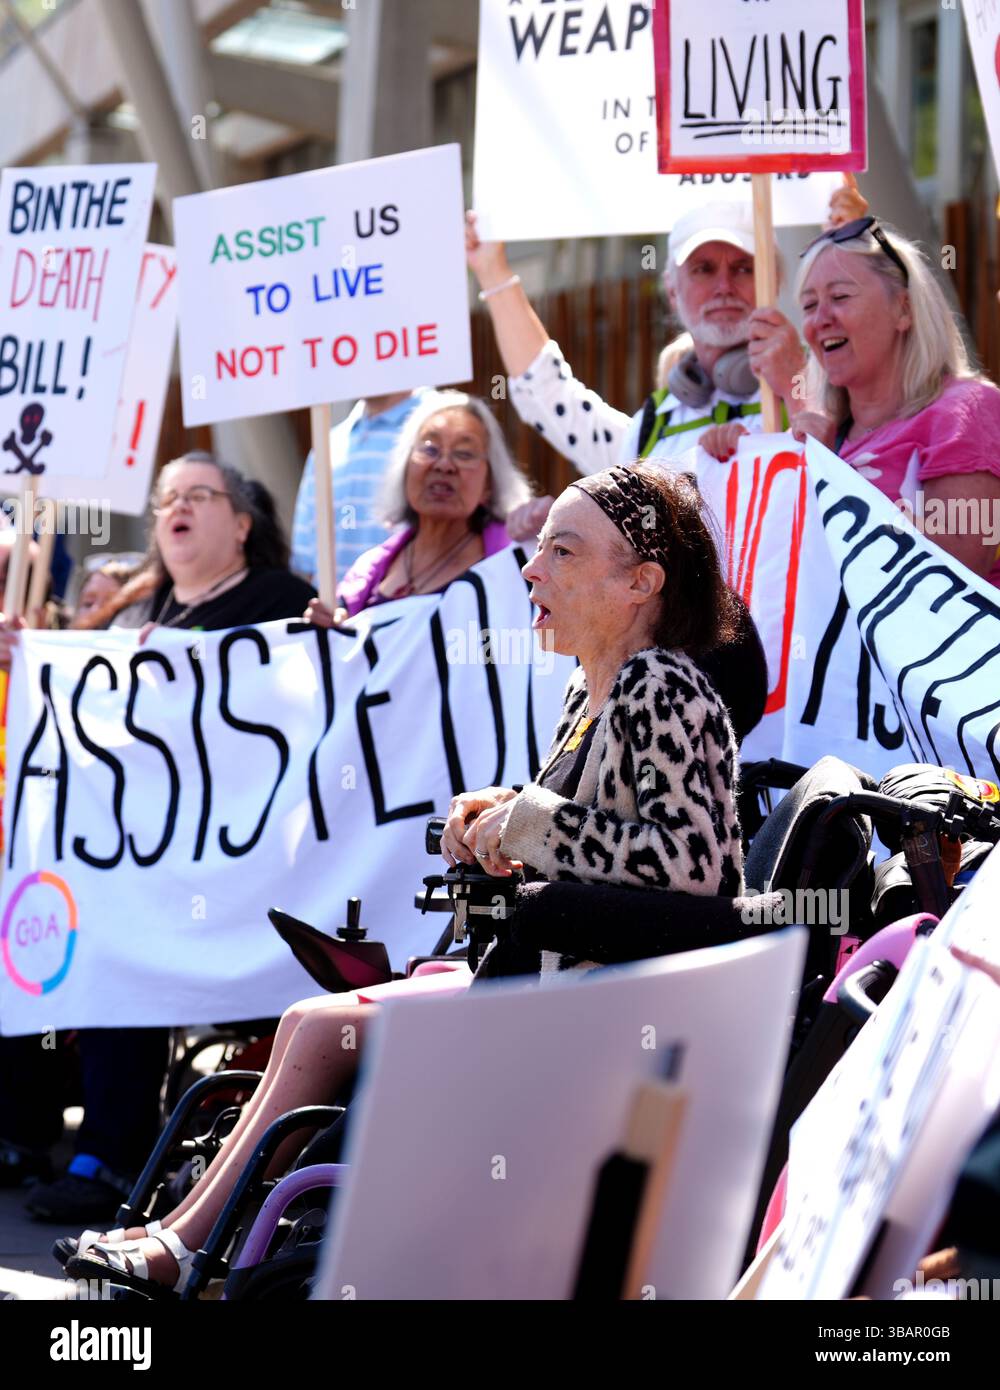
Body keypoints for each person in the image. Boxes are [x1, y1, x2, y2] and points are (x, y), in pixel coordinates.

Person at [64, 464, 743, 1294]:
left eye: (563, 553)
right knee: (312, 1021)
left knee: (318, 1031)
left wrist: (526, 823)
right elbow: (591, 832)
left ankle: (181, 1250)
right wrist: (503, 817)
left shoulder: (663, 688)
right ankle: (179, 1237)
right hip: (555, 978)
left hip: (605, 1008)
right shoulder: (588, 689)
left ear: (641, 582)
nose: (532, 570)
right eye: (538, 550)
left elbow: (694, 867)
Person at [0, 454, 316, 1226]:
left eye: (199, 496)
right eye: (167, 497)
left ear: (242, 525)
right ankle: (24, 1131)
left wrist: (330, 640)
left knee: (121, 922)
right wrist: (32, 658)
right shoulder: (132, 616)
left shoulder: (283, 600)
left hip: (245, 861)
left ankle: (112, 1153)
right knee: (51, 918)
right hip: (146, 856)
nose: (177, 507)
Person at [707, 216, 1000, 585]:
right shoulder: (830, 434)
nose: (820, 319)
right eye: (810, 306)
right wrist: (736, 467)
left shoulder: (968, 409)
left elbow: (954, 574)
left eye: (840, 297)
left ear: (904, 309)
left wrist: (821, 454)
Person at [305, 390, 532, 625]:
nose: (444, 465)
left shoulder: (517, 566)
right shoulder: (367, 572)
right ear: (404, 470)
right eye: (429, 449)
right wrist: (332, 628)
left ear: (489, 484)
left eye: (464, 454)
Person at [291, 389, 429, 585]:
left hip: (409, 609)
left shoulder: (436, 438)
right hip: (336, 613)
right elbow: (307, 562)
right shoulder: (328, 445)